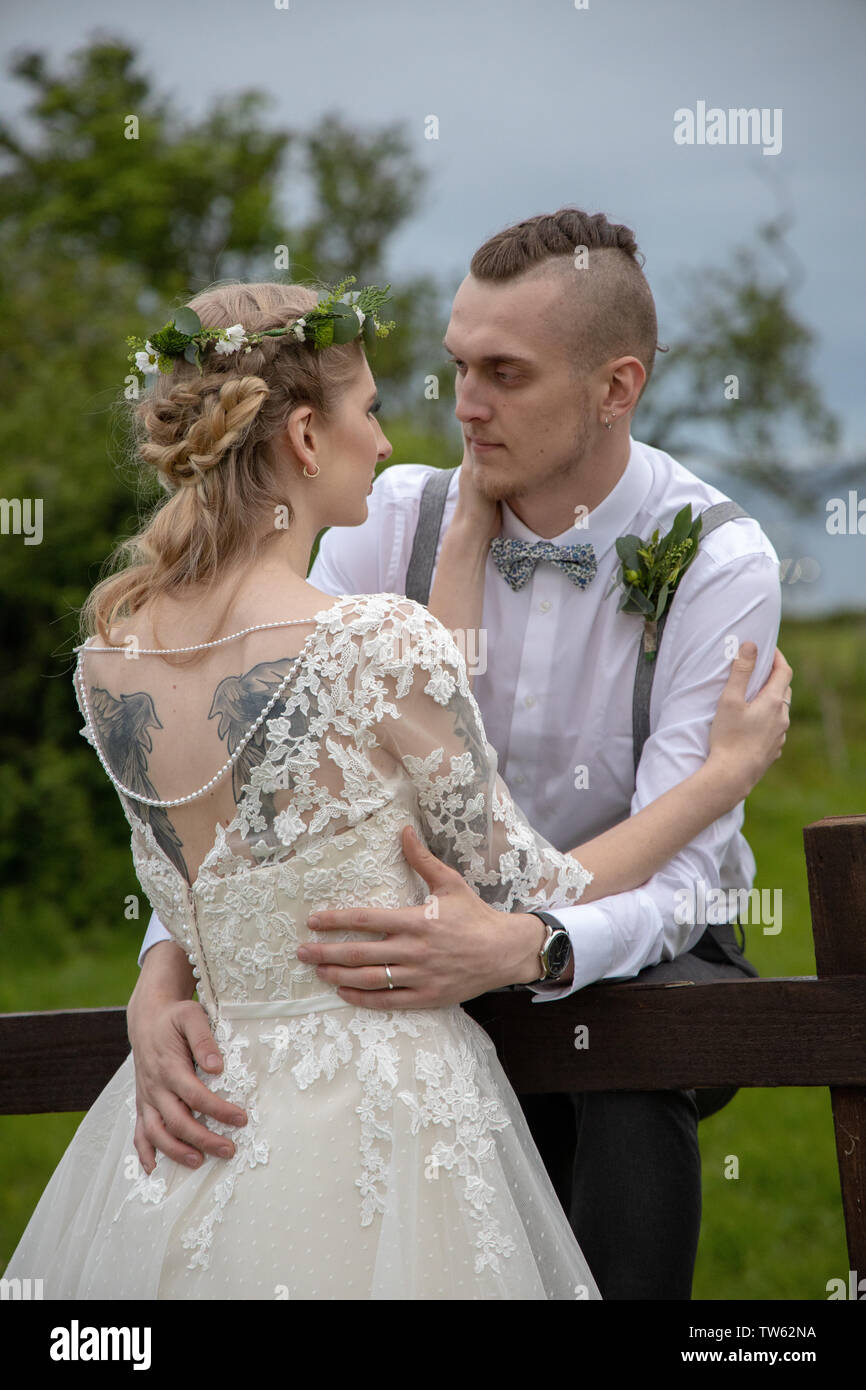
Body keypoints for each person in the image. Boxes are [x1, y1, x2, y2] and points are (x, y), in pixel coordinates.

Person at [5, 256, 790, 1300]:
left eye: (502, 374)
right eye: (424, 383)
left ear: (616, 386)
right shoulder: (386, 542)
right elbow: (304, 777)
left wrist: (527, 945)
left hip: (277, 1063)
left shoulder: (106, 656)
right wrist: (726, 773)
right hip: (385, 1051)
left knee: (632, 1070)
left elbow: (247, 815)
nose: (439, 417)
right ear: (300, 437)